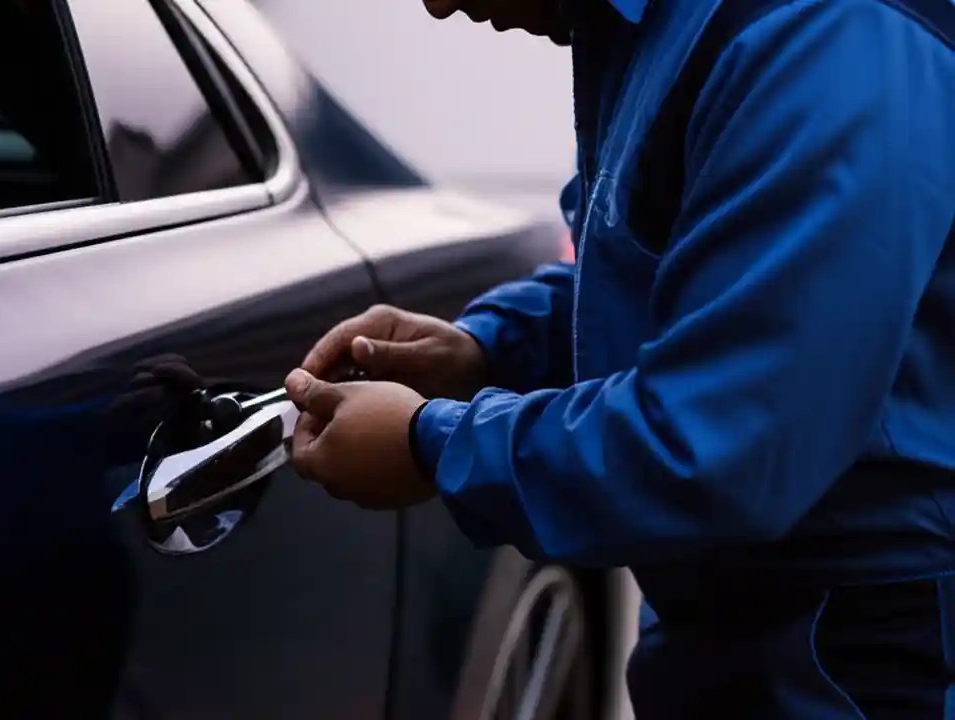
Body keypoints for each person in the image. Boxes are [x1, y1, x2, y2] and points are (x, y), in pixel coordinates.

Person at [284, 0, 955, 716]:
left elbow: (727, 448)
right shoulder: (659, 28)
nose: (438, 5)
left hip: (864, 657)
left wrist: (432, 446)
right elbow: (673, 278)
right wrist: (489, 349)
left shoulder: (831, 40)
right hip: (750, 631)